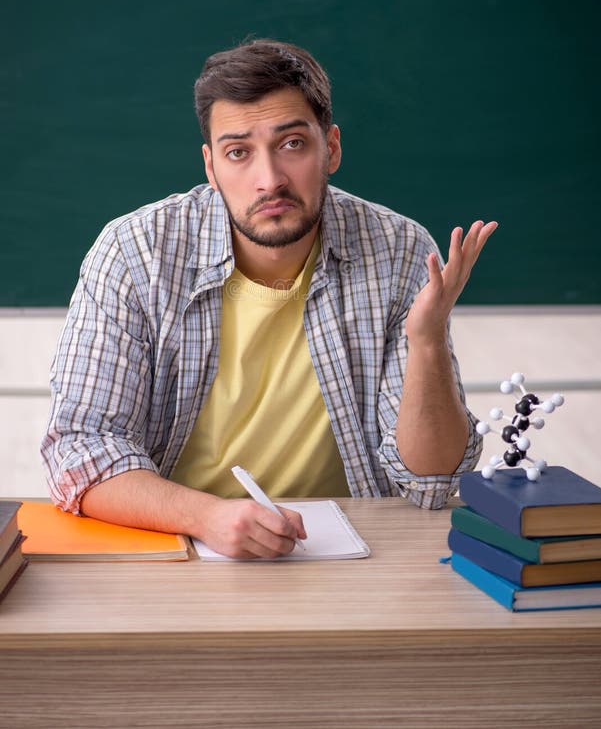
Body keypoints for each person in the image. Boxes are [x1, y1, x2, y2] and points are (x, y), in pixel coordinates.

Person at [41, 39, 497, 559]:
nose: (270, 179)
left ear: (333, 147)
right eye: (239, 152)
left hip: (350, 553)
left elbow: (432, 483)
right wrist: (207, 515)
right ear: (211, 167)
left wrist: (428, 341)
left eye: (292, 144)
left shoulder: (399, 250)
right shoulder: (136, 252)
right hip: (175, 543)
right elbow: (81, 448)